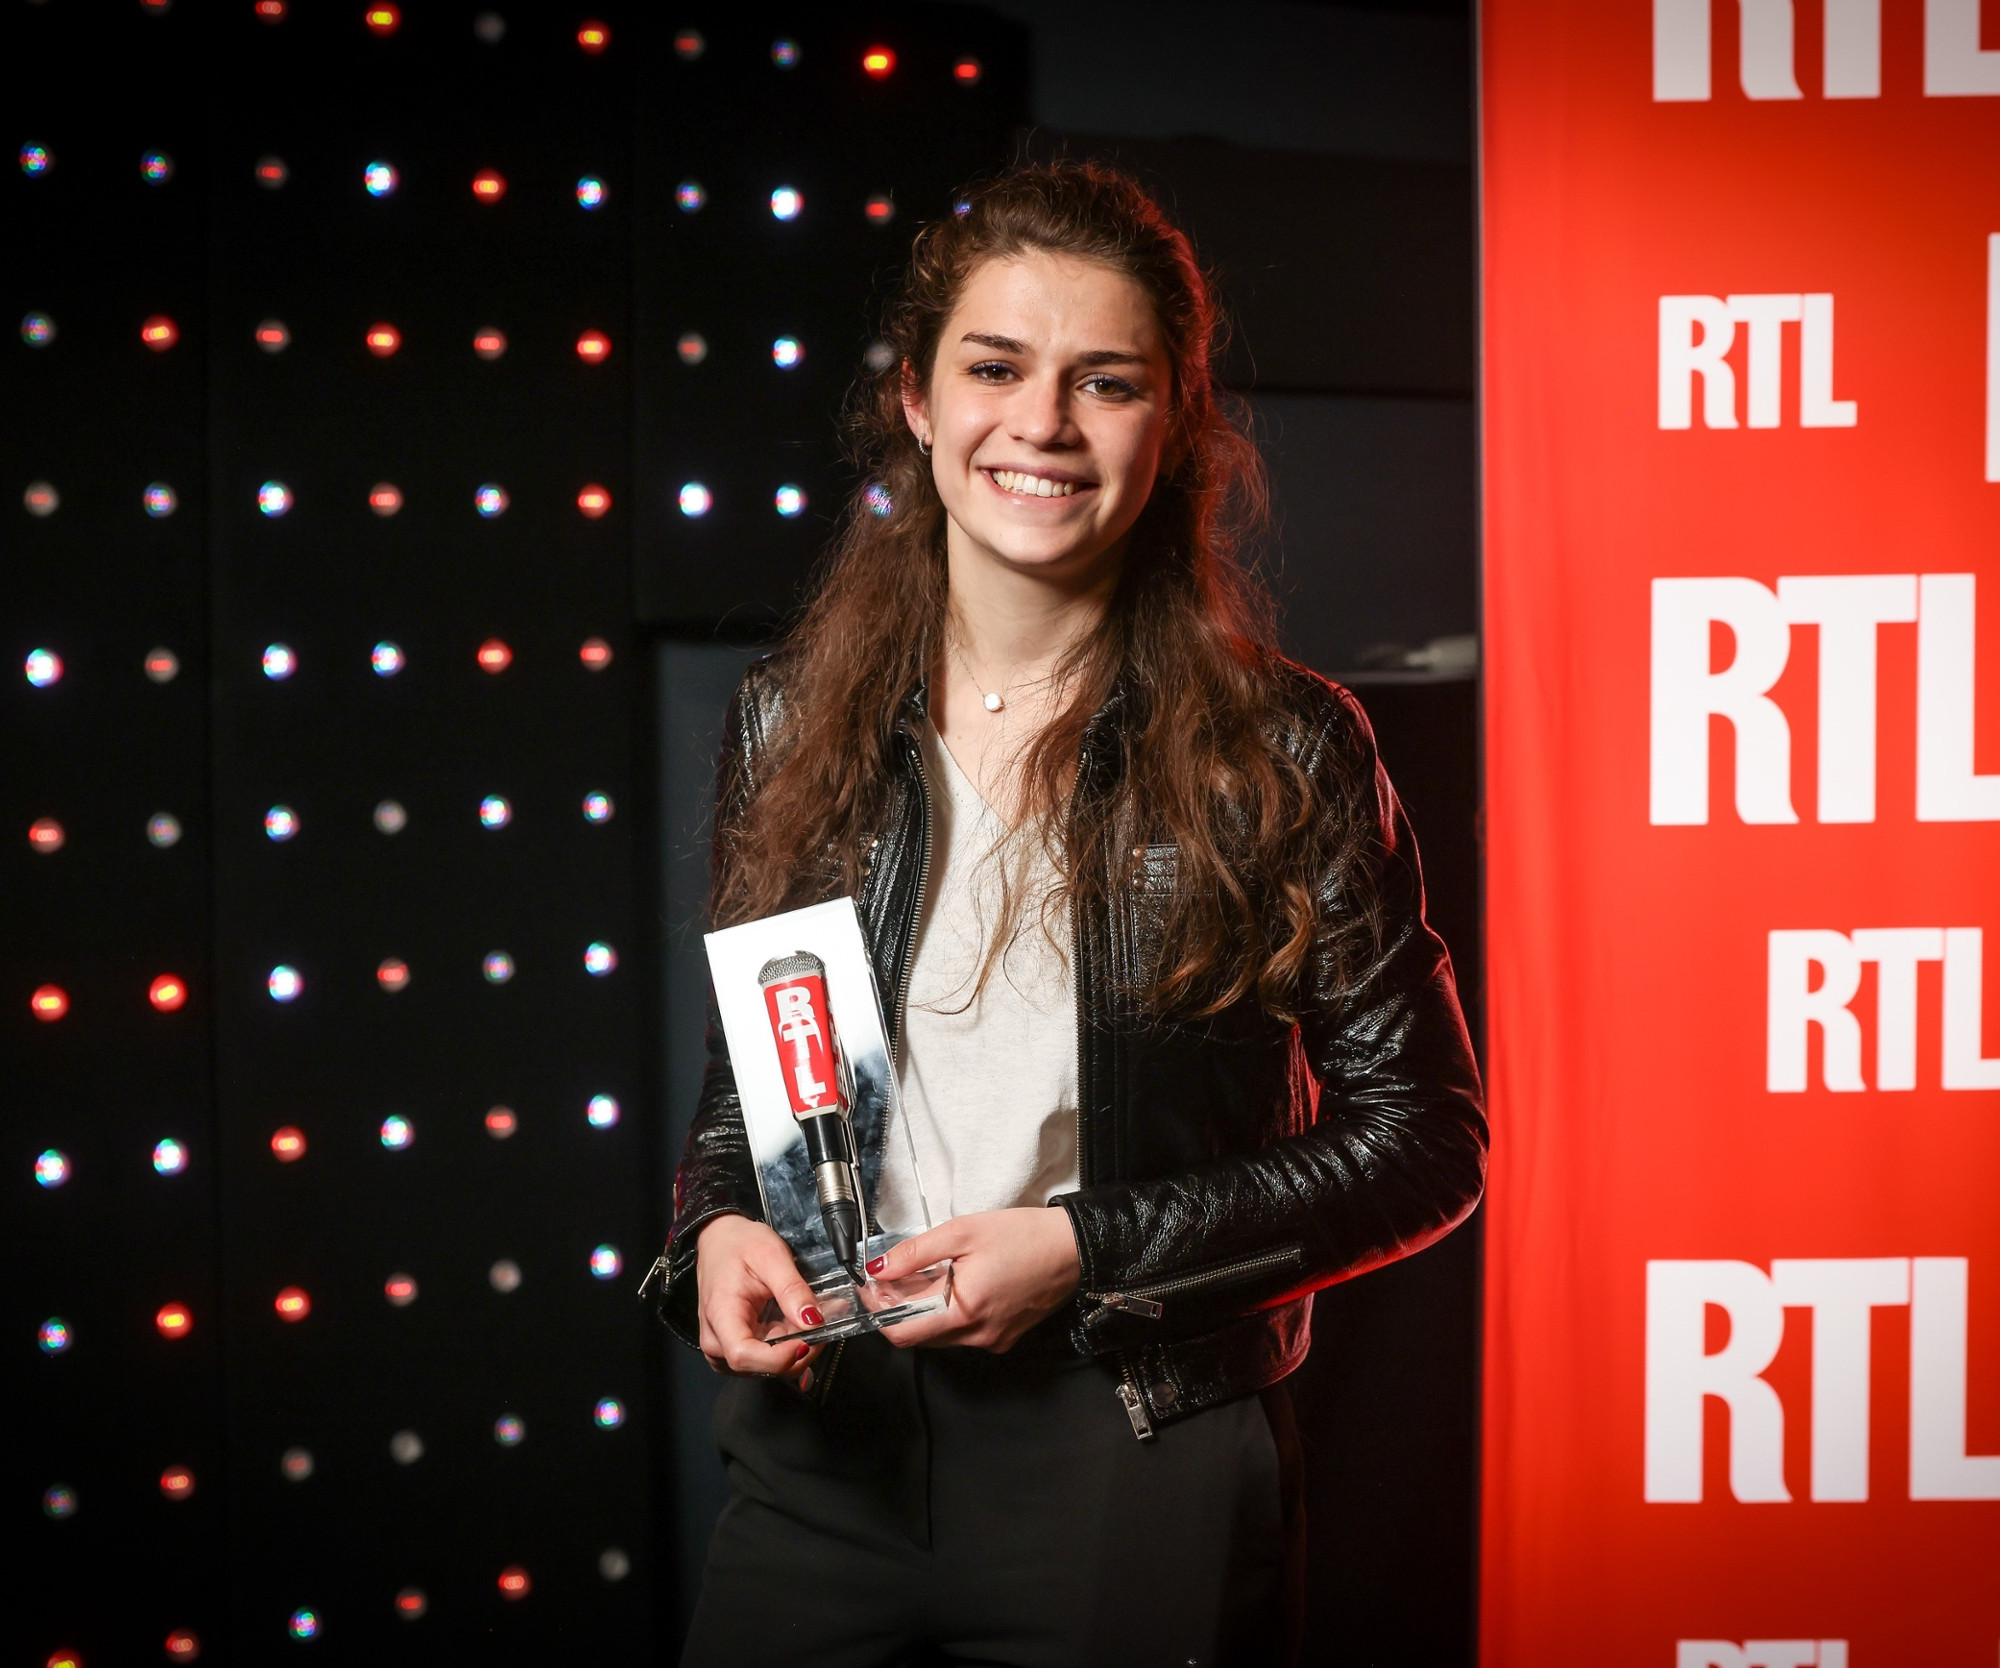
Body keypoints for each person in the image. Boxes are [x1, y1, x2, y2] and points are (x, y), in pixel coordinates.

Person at [661, 161, 1486, 1668]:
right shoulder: (792, 722)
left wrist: (1087, 1249)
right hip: (822, 1448)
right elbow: (765, 1091)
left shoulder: (1281, 746)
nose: (1040, 424)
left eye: (1103, 383)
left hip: (1132, 1449)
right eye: (995, 368)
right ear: (917, 399)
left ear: (1171, 429)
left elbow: (1427, 1143)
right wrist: (713, 1224)